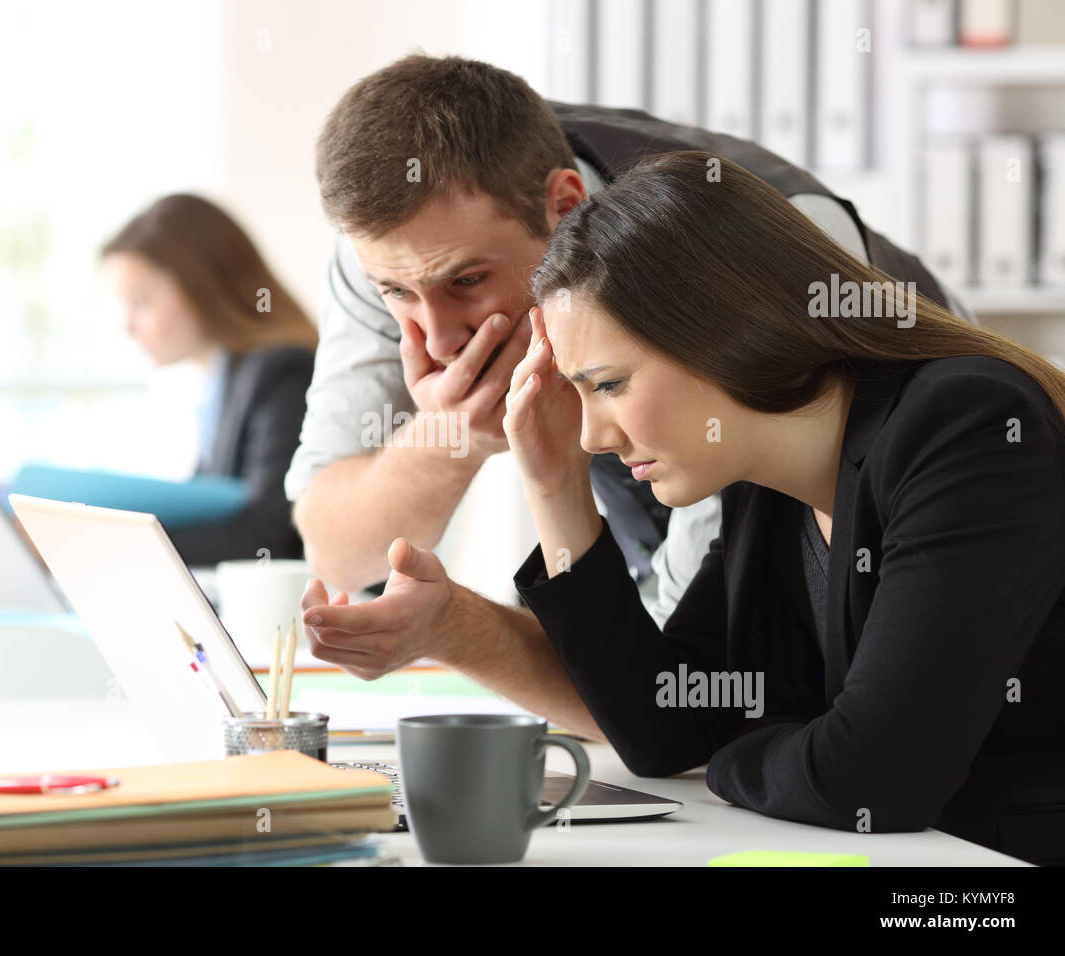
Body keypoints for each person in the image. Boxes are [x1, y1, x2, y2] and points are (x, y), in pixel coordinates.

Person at [295, 54, 970, 732]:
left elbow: (699, 694)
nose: (438, 341)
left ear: (564, 205)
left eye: (467, 282)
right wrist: (454, 439)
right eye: (397, 293)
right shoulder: (403, 243)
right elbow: (336, 551)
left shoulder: (734, 249)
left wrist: (469, 627)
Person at [497, 151, 1065, 864]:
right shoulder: (764, 488)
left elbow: (873, 778)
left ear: (719, 330)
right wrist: (555, 489)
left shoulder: (965, 423)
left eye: (608, 384)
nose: (592, 436)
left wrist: (737, 753)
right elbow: (664, 727)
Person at [100, 194, 317, 565]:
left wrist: (111, 547)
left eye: (141, 301)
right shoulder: (225, 381)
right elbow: (212, 509)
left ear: (202, 289)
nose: (127, 325)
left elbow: (265, 535)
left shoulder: (283, 374)